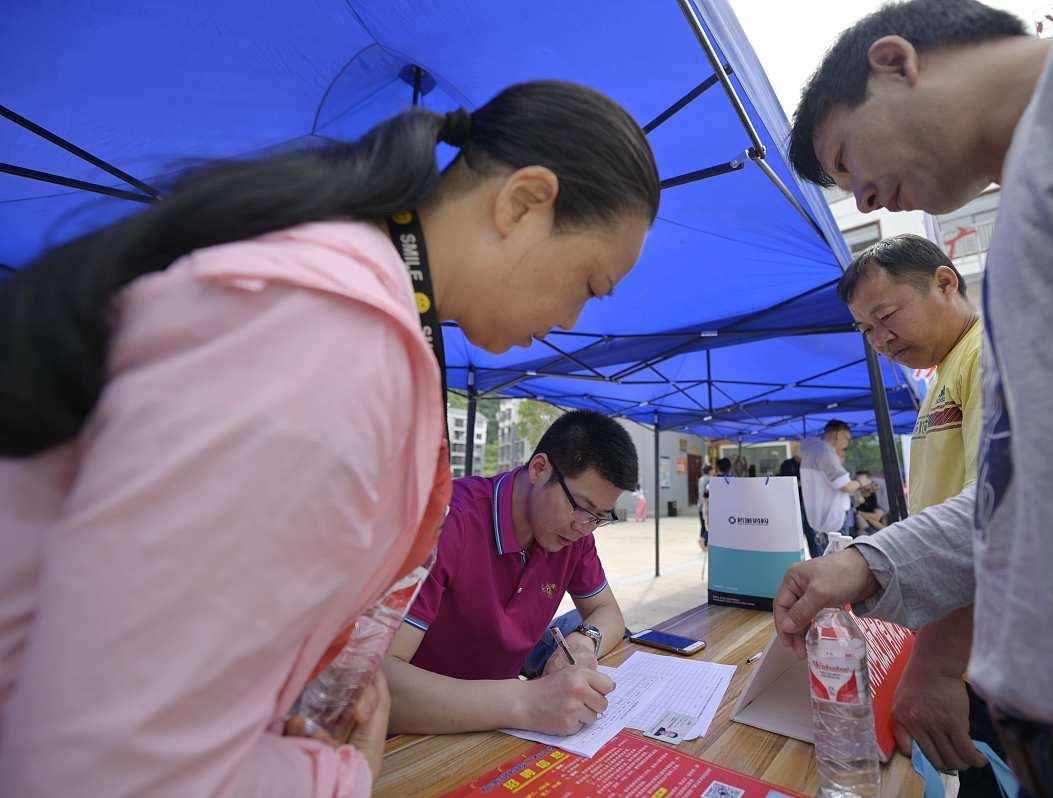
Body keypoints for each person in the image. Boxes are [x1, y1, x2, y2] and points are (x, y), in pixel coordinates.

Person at [0, 80, 660, 798]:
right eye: (590, 283)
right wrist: (341, 773)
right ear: (523, 203)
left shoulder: (358, 305)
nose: (571, 320)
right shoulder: (333, 343)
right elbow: (106, 768)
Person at [778, 1, 1053, 795]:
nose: (864, 200)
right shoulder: (1035, 205)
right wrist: (872, 564)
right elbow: (1028, 492)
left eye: (846, 159)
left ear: (897, 63)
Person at [839, 233, 993, 789]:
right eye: (867, 330)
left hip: (993, 654)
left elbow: (998, 511)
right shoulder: (941, 375)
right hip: (964, 649)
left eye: (886, 315)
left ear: (945, 281)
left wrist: (938, 665)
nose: (880, 338)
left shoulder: (990, 352)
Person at [383, 411, 633, 736]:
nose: (584, 527)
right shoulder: (447, 522)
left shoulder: (574, 535)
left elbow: (607, 611)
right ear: (539, 469)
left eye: (600, 516)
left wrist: (584, 641)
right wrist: (528, 702)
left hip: (498, 730)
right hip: (412, 738)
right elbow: (379, 680)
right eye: (581, 507)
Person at [796, 421, 870, 557]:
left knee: (821, 562)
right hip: (833, 520)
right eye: (847, 438)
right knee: (838, 565)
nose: (847, 444)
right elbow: (845, 486)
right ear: (839, 434)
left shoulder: (811, 451)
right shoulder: (826, 453)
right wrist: (861, 482)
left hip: (818, 520)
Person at [701, 457, 734, 550]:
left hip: (716, 516)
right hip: (730, 515)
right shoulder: (734, 481)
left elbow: (705, 497)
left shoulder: (712, 482)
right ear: (730, 467)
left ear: (718, 468)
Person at [697, 464, 712, 541]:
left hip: (700, 504)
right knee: (708, 525)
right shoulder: (710, 479)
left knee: (703, 524)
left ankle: (702, 540)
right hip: (707, 505)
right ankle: (704, 541)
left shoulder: (700, 479)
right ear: (710, 471)